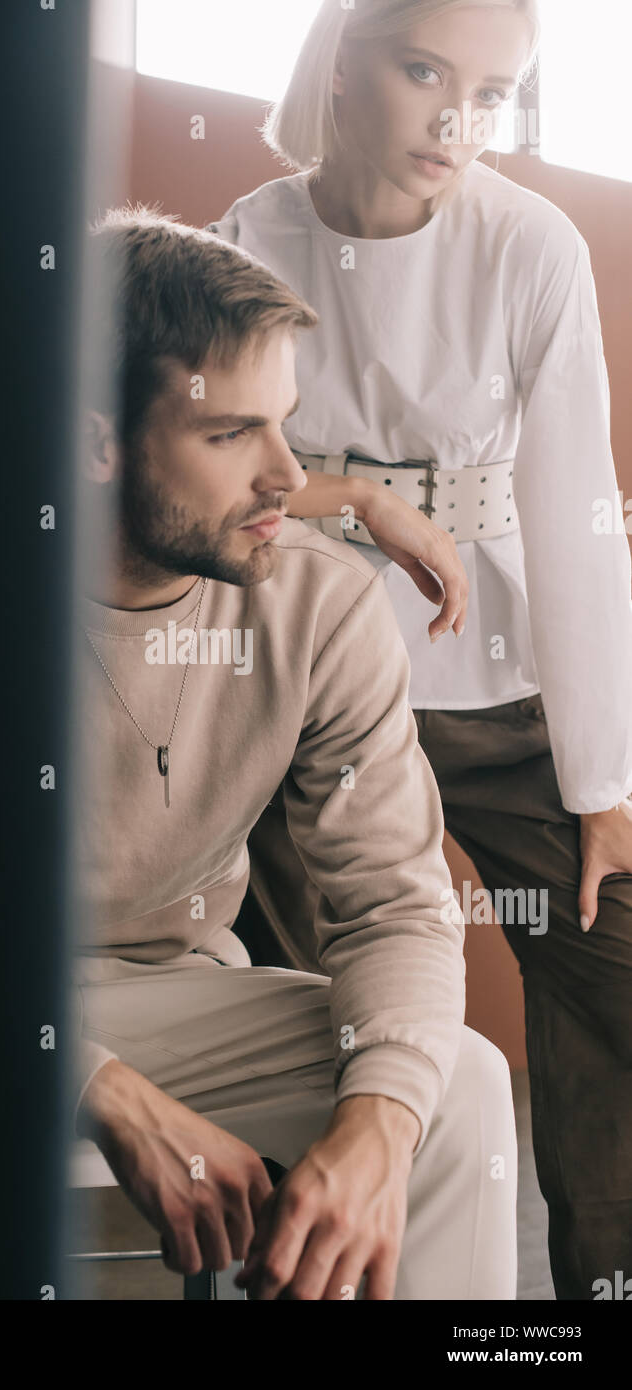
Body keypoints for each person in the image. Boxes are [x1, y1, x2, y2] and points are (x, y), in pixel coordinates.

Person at [207, 0, 632, 1299]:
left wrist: (599, 781)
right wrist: (355, 500)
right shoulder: (245, 239)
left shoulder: (527, 243)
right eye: (420, 70)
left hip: (502, 681)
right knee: (325, 1024)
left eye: (490, 90)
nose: (457, 119)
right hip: (306, 685)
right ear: (343, 67)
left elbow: (571, 513)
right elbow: (210, 479)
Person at [72, 206, 517, 1300]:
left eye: (286, 424)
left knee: (452, 1080)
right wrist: (104, 1088)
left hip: (174, 990)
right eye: (231, 435)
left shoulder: (319, 603)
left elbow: (398, 904)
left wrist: (377, 1121)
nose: (286, 474)